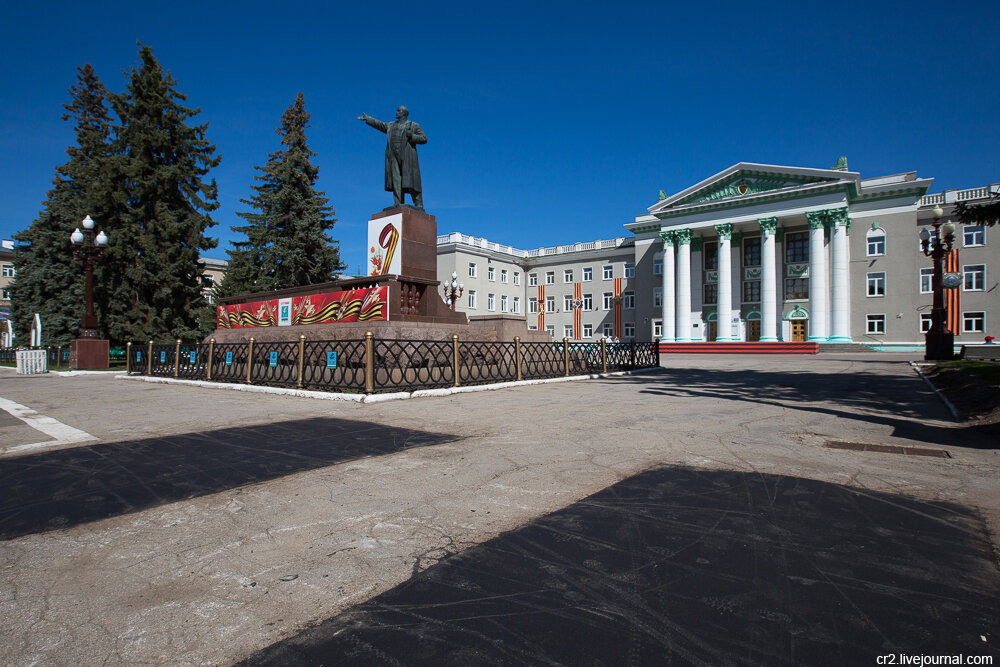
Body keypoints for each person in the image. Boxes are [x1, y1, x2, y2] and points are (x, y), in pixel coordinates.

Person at [358, 106, 427, 210]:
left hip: (407, 156)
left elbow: (424, 138)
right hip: (393, 155)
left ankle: (419, 204)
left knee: (411, 181)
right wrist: (368, 119)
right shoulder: (391, 125)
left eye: (398, 111)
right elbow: (380, 124)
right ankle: (398, 202)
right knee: (396, 179)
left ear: (404, 113)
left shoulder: (413, 125)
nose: (396, 112)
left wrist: (412, 136)